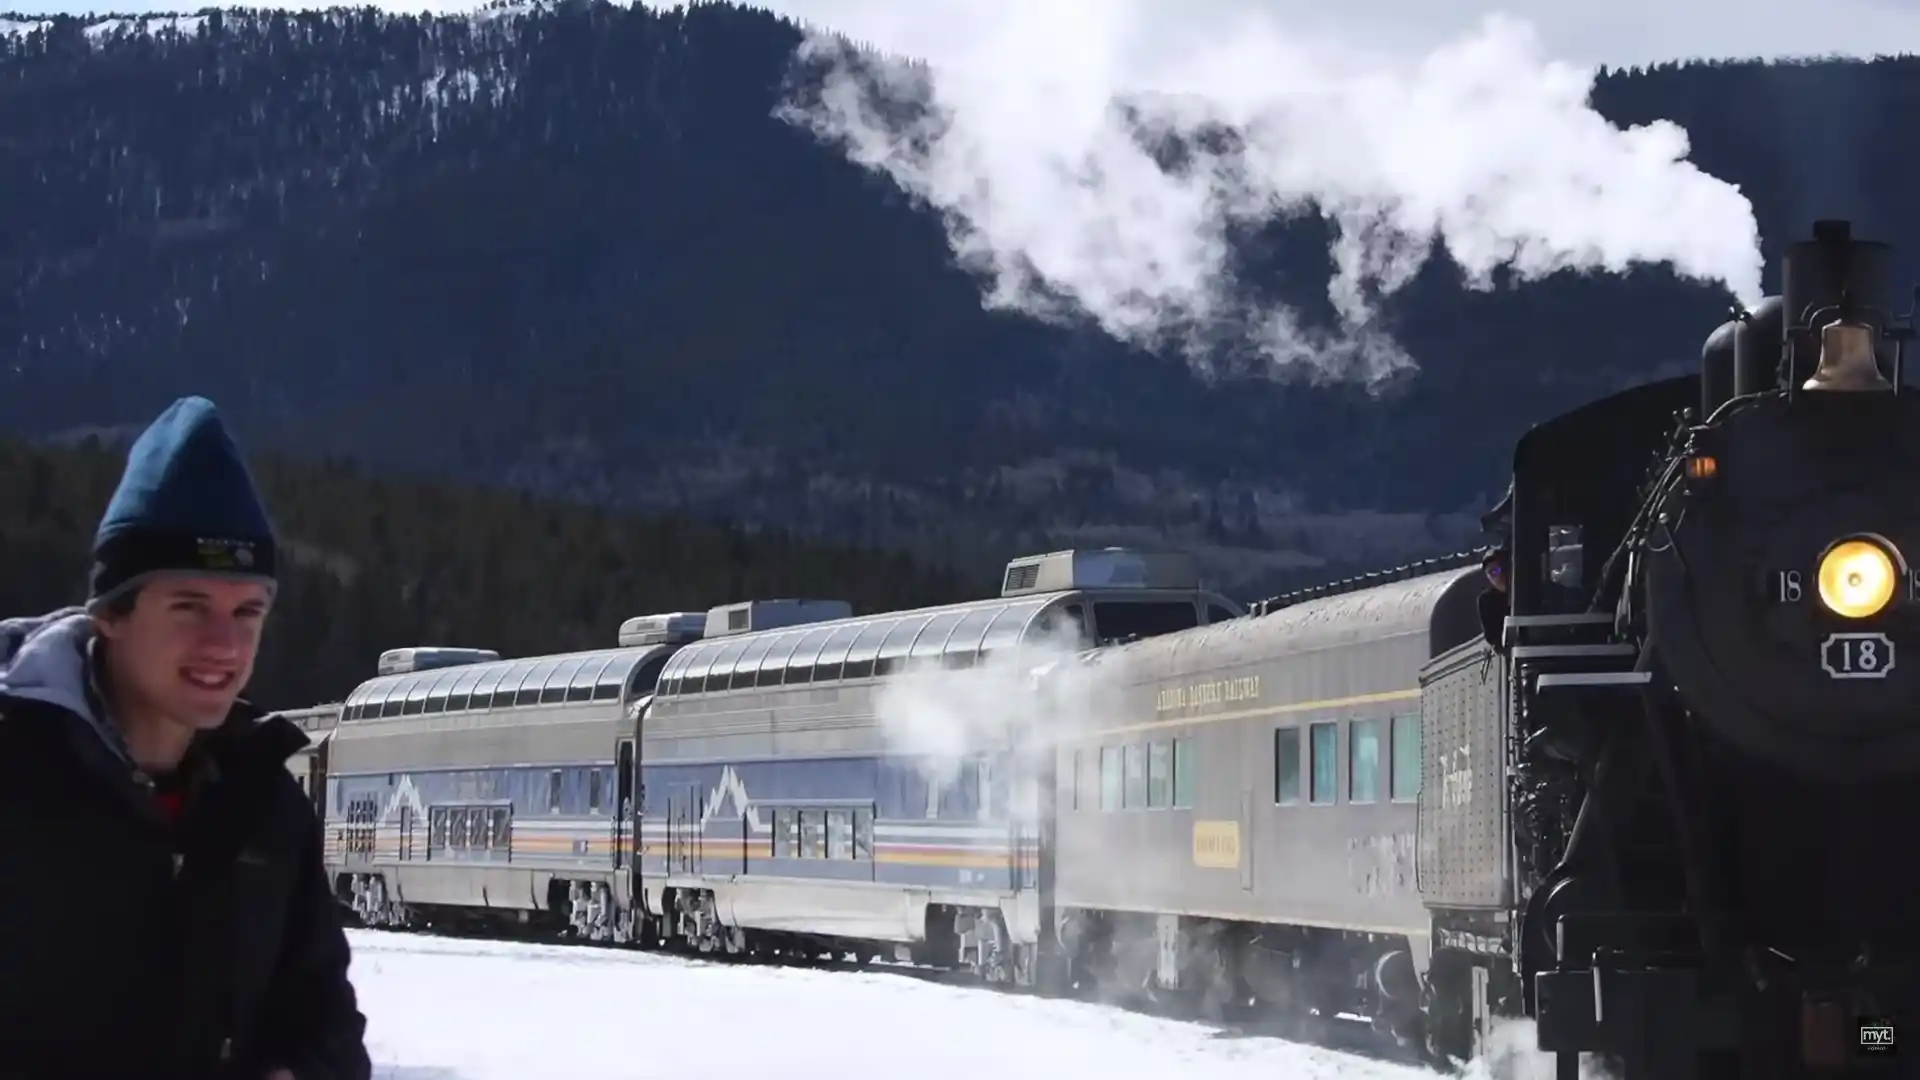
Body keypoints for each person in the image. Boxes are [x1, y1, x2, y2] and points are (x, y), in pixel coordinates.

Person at [0, 397, 371, 1080]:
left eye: (247, 612)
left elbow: (324, 1024)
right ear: (111, 613)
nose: (224, 645)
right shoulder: (17, 773)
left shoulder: (265, 810)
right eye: (189, 607)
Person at [1477, 545, 1511, 654]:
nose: (1500, 575)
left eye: (1502, 568)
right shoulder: (1487, 601)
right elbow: (1493, 637)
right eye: (1493, 572)